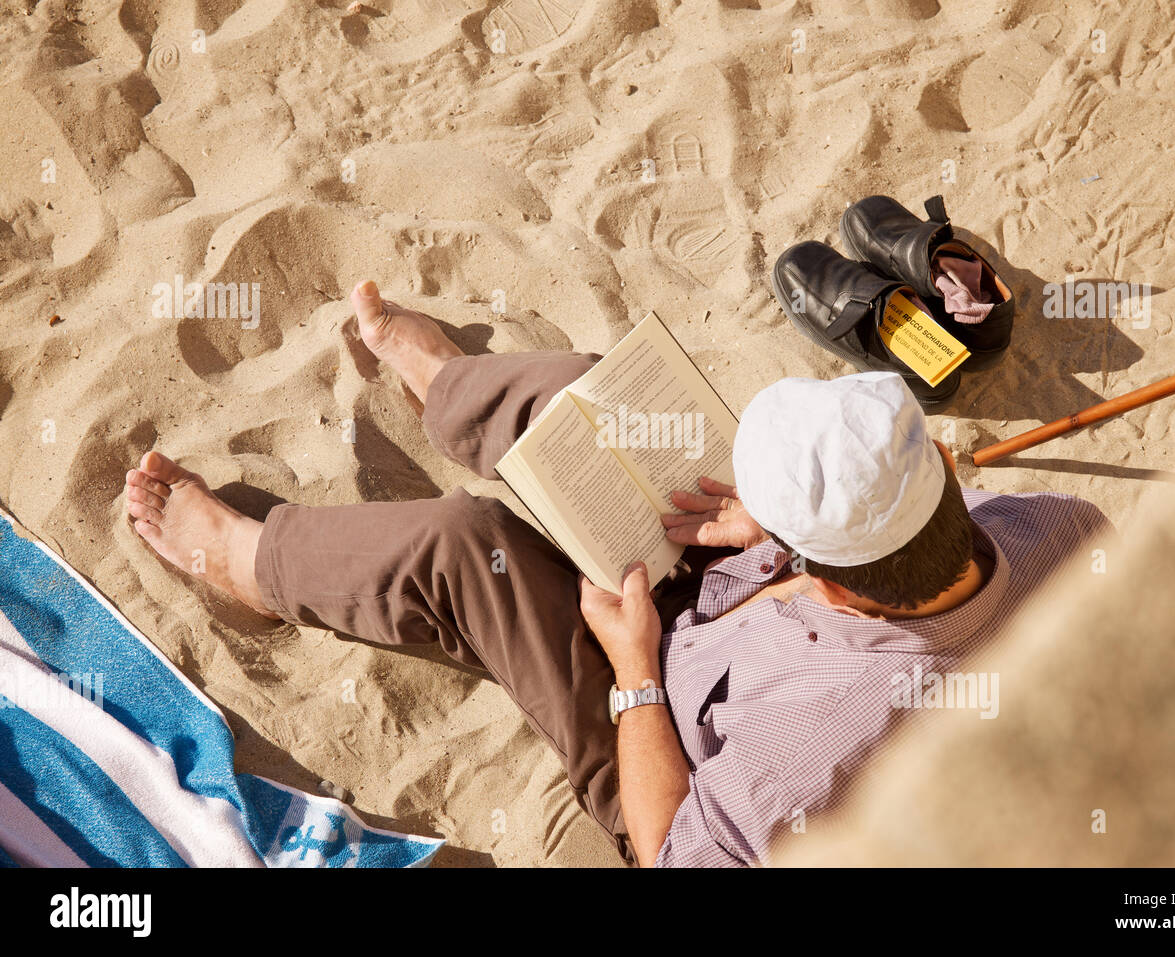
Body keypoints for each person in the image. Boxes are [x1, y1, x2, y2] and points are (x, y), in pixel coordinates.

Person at [123, 280, 1110, 866]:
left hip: (662, 736)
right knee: (606, 417)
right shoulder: (1057, 526)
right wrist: (768, 525)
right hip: (740, 589)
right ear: (939, 469)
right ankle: (450, 387)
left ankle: (252, 564)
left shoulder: (800, 762)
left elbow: (670, 847)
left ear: (838, 585)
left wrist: (634, 672)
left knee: (470, 548)